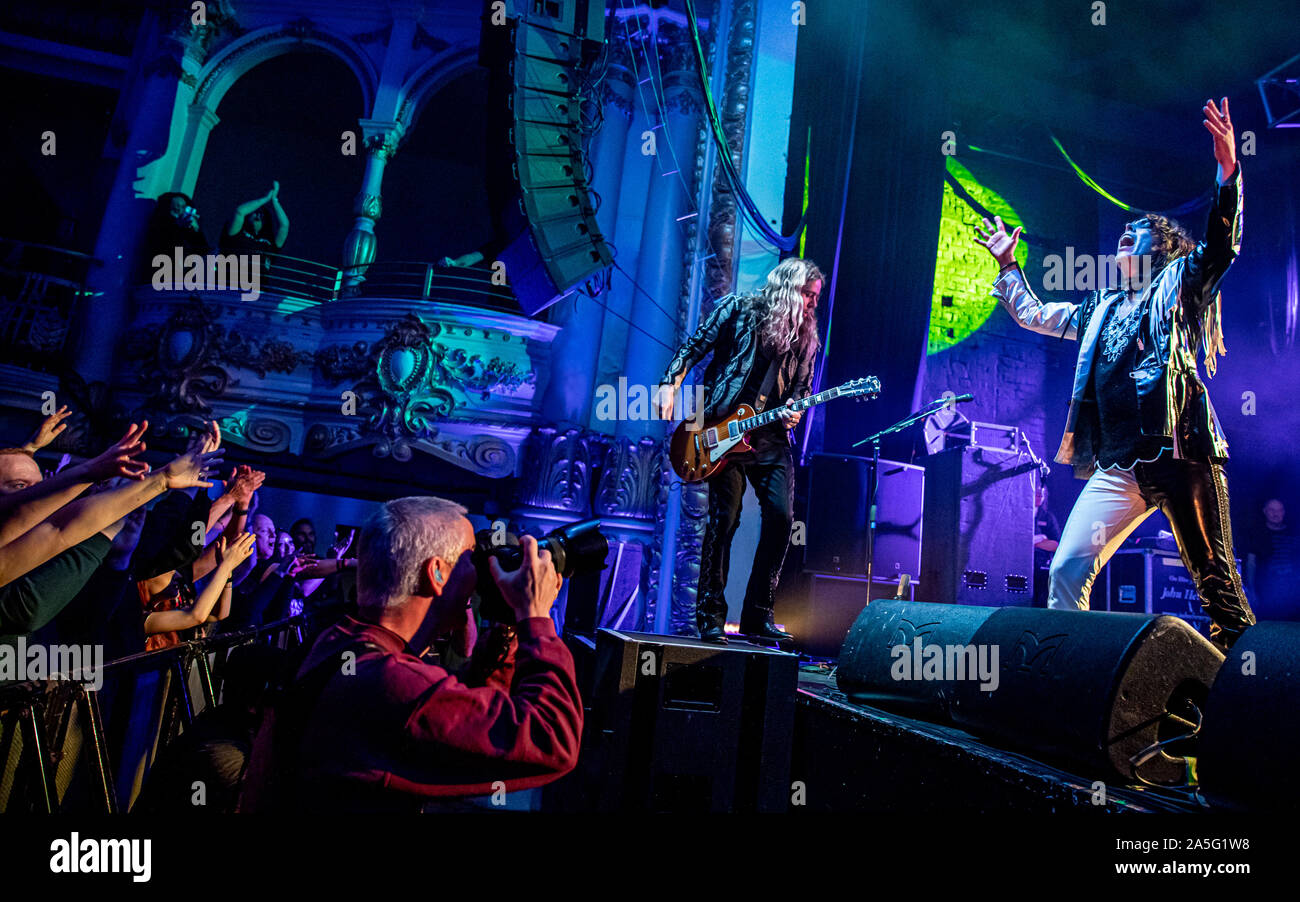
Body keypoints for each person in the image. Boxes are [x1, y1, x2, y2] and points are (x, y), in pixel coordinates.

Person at [975, 98, 1254, 651]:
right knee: (1064, 573)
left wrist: (1229, 172)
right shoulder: (1102, 308)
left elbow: (1222, 247)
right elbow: (1036, 315)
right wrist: (1009, 267)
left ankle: (1250, 703)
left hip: (1181, 453)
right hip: (1120, 464)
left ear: (1167, 248)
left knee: (1217, 588)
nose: (1126, 232)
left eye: (1140, 229)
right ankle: (1067, 688)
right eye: (1125, 230)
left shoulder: (1180, 285)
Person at [272, 496, 582, 812]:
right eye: (472, 559)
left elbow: (468, 720)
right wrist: (535, 618)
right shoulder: (390, 681)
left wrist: (507, 628)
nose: (482, 572)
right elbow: (550, 739)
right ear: (436, 573)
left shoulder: (340, 642)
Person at [656, 257, 823, 643]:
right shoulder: (738, 308)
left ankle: (757, 616)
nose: (813, 304)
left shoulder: (806, 337)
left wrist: (797, 408)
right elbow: (695, 345)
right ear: (786, 288)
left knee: (782, 518)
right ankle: (711, 616)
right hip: (721, 429)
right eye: (807, 295)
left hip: (770, 437)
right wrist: (671, 382)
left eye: (816, 297)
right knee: (725, 521)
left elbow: (803, 387)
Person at [1245, 498, 1300, 621]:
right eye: (1272, 510)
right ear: (1265, 511)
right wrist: (1252, 590)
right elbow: (1251, 563)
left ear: (1284, 512)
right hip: (1266, 592)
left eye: (1279, 510)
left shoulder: (1294, 534)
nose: (1276, 513)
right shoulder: (1257, 534)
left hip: (1293, 592)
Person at [220, 182, 289, 261]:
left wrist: (274, 200)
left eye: (262, 215)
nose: (258, 215)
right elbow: (239, 212)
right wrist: (266, 198)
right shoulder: (237, 233)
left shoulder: (269, 243)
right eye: (255, 213)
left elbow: (284, 226)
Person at [1032, 481, 1061, 607]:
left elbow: (1056, 544)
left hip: (1040, 565)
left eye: (1042, 494)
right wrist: (1040, 539)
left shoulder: (1048, 517)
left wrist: (1032, 543)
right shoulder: (1018, 515)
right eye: (1037, 493)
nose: (1040, 496)